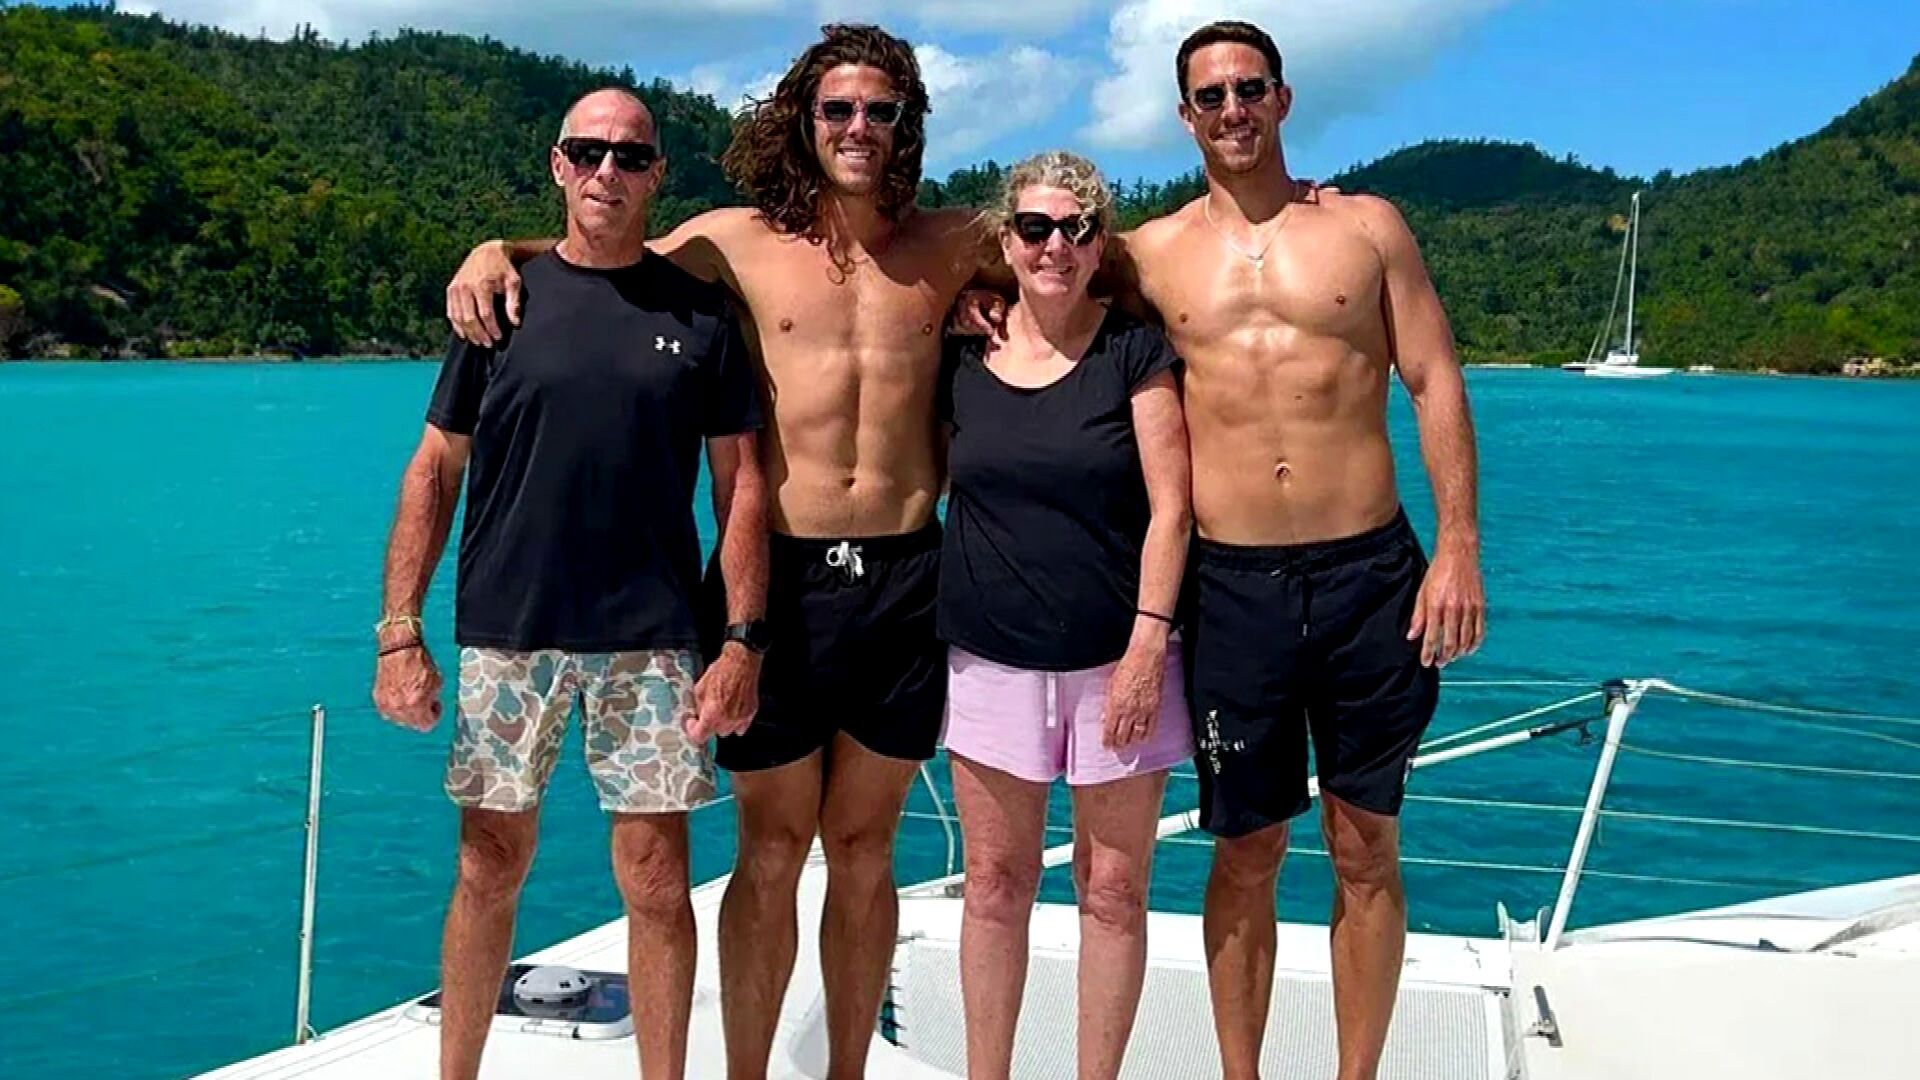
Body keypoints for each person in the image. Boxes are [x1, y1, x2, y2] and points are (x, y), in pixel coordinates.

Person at [441, 26, 990, 1080]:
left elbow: (1093, 256)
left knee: (867, 852)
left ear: (907, 124)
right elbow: (601, 254)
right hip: (781, 574)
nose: (859, 129)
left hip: (909, 573)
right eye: (838, 110)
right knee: (771, 850)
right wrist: (496, 251)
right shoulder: (733, 240)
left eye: (881, 111)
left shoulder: (956, 240)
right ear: (804, 120)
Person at [962, 20, 1487, 1080]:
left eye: (1251, 88)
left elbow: (1433, 380)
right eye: (1211, 96)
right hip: (1231, 584)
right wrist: (981, 296)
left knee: (1364, 844)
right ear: (1184, 115)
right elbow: (1028, 258)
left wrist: (1460, 547)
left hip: (1368, 573)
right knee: (1245, 849)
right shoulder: (1149, 254)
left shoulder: (1369, 229)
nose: (1233, 109)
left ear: (1285, 99)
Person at [370, 88, 767, 1080]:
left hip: (654, 638)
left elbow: (742, 487)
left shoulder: (704, 316)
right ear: (557, 164)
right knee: (487, 868)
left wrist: (740, 641)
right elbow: (433, 470)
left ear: (656, 177)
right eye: (588, 153)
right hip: (510, 633)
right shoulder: (499, 304)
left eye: (630, 158)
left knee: (656, 880)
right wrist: (398, 633)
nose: (607, 173)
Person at [937, 150, 1193, 1080]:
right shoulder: (960, 353)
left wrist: (1146, 645)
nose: (1056, 246)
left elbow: (1174, 507)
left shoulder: (1135, 351)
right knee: (996, 888)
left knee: (1115, 891)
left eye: (1077, 229)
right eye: (1036, 228)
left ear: (1099, 246)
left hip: (1116, 659)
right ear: (1005, 242)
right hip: (990, 659)